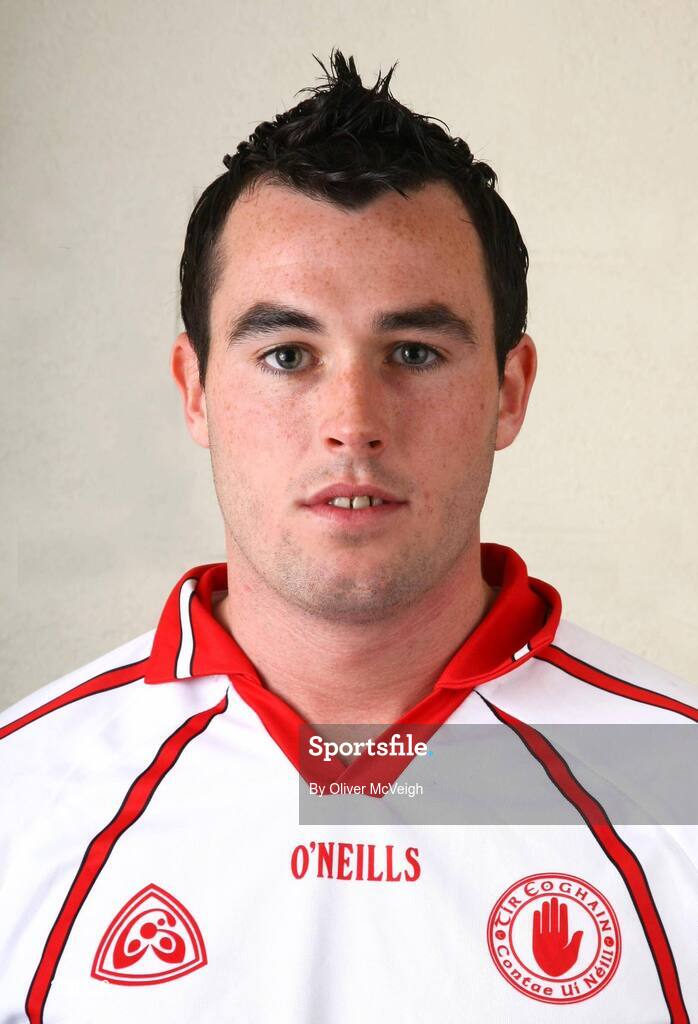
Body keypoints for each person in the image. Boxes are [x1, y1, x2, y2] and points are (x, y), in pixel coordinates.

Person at [1, 48, 696, 1024]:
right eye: (286, 353)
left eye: (412, 351)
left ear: (508, 388)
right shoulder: (24, 799)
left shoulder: (680, 786)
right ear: (194, 389)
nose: (352, 420)